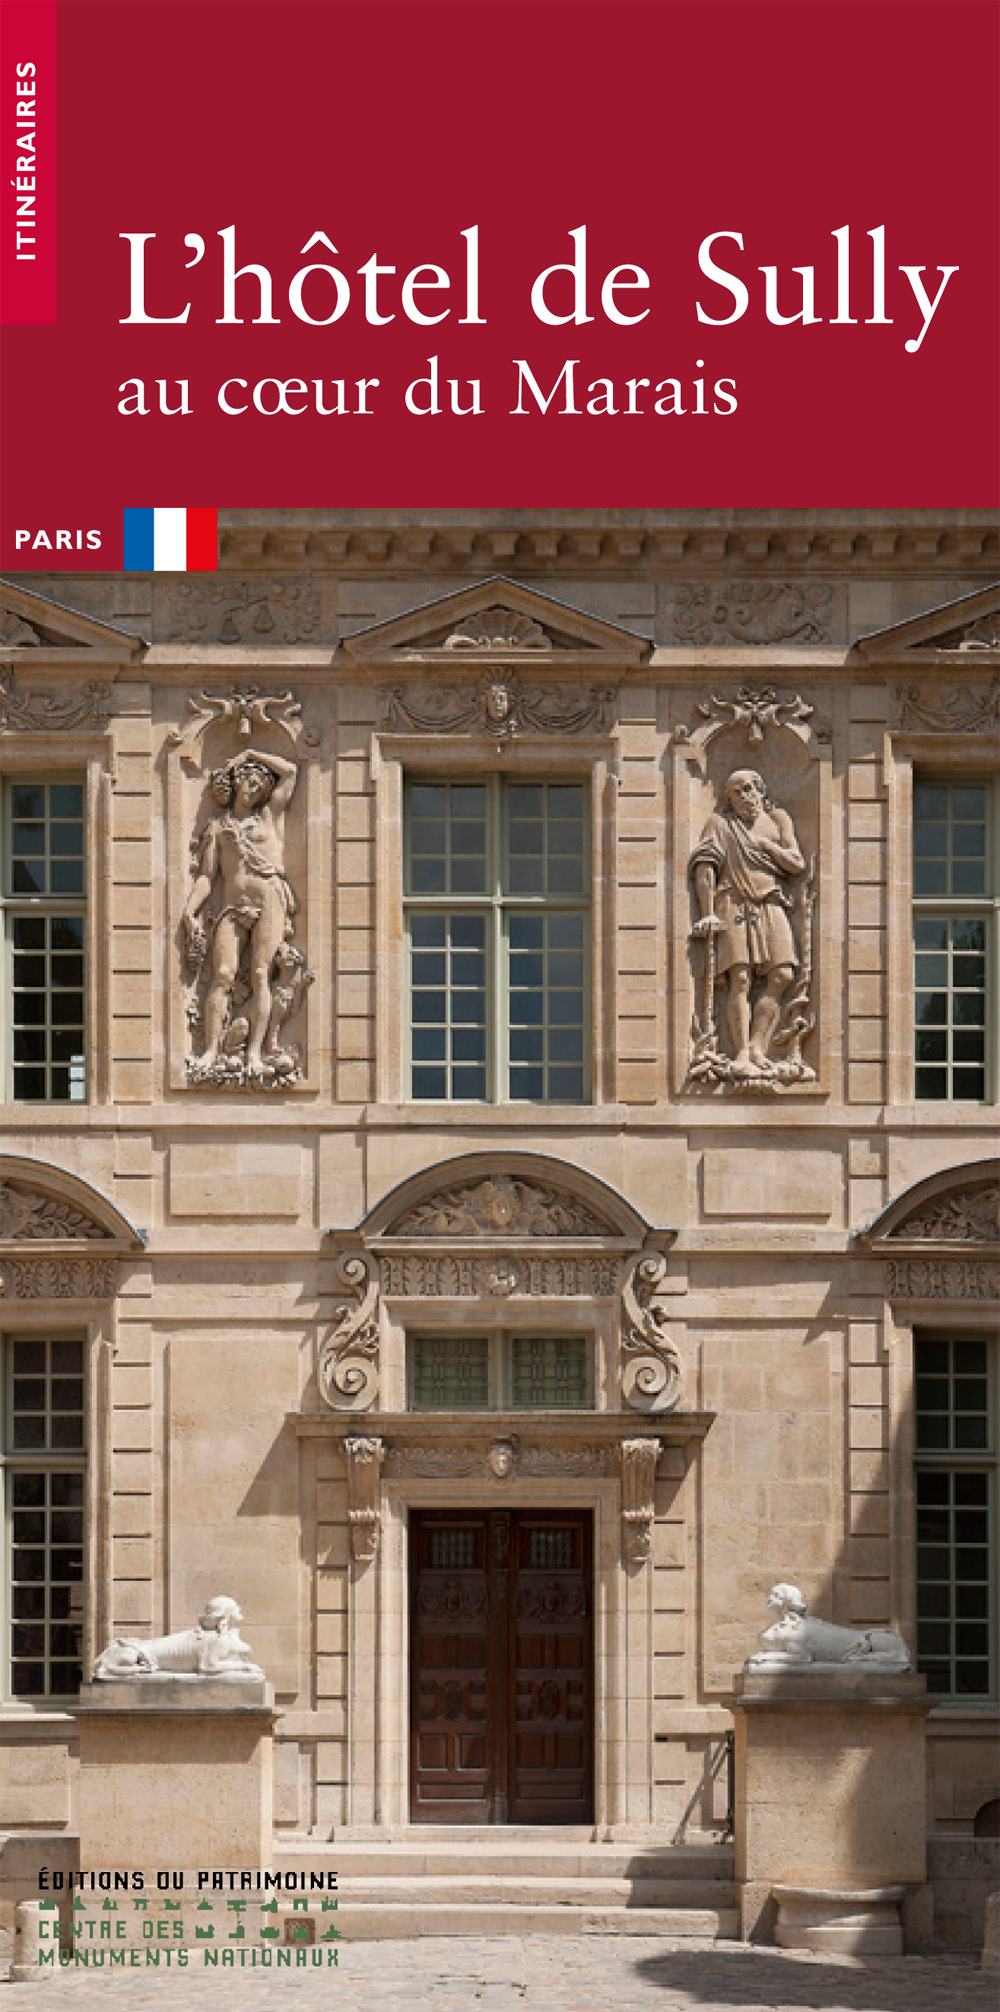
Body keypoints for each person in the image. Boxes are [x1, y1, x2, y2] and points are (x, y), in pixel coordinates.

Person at [183, 748, 299, 1078]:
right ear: (235, 784)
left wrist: (247, 753)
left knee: (262, 974)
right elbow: (207, 877)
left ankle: (254, 1055)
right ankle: (209, 1051)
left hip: (270, 901)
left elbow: (290, 770)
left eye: (261, 784)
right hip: (232, 906)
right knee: (222, 974)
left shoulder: (269, 818)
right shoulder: (218, 829)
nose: (254, 788)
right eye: (249, 780)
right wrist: (190, 911)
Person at [689, 768, 805, 1076]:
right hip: (733, 904)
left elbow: (797, 864)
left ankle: (757, 1044)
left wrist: (767, 846)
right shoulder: (720, 824)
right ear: (729, 798)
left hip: (771, 901)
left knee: (782, 974)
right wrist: (707, 912)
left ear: (762, 791)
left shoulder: (779, 820)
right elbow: (705, 866)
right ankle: (740, 1052)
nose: (746, 795)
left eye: (751, 788)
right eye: (738, 791)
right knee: (739, 980)